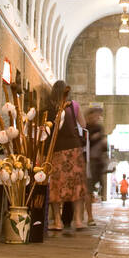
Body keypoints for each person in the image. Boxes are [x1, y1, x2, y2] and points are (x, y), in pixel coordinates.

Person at [43, 80, 86, 235]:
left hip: (56, 150)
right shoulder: (73, 106)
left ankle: (57, 221)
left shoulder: (49, 108)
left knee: (57, 185)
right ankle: (79, 220)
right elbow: (83, 124)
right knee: (76, 185)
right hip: (74, 149)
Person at [83, 106, 107, 224]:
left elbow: (104, 146)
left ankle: (89, 215)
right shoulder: (85, 128)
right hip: (88, 161)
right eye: (96, 115)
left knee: (91, 190)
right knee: (88, 190)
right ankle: (89, 216)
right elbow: (84, 143)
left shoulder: (99, 127)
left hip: (98, 162)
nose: (98, 117)